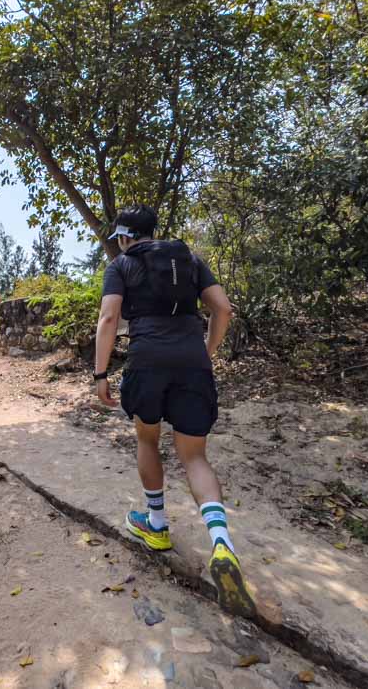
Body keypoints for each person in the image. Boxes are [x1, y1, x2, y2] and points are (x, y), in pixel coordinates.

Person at [93, 205, 255, 619]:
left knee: (147, 438)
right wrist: (207, 353)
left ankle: (157, 525)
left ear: (125, 236)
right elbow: (223, 309)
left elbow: (110, 317)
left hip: (147, 361)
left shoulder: (121, 265)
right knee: (195, 456)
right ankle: (222, 543)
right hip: (191, 362)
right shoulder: (191, 259)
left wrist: (100, 373)